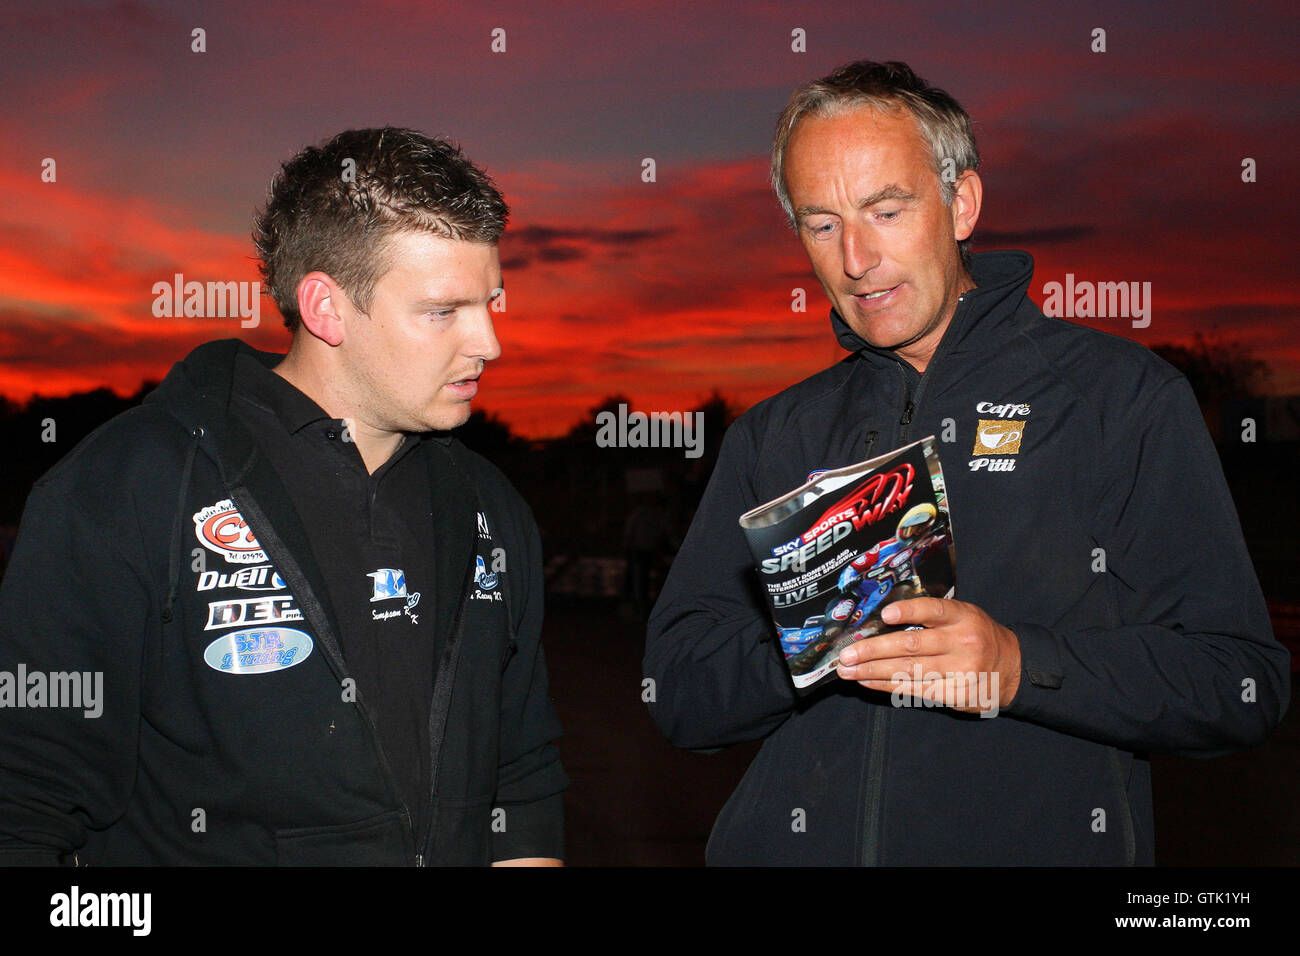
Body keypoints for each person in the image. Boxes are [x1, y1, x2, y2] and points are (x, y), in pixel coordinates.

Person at [643, 61, 1290, 865]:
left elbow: (1239, 684)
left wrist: (1021, 665)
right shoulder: (774, 434)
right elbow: (676, 695)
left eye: (886, 209)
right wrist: (818, 637)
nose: (855, 258)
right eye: (820, 223)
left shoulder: (1118, 400)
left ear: (962, 204)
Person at [0, 128, 567, 866]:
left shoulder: (488, 503)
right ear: (326, 308)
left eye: (490, 302)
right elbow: (25, 800)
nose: (489, 341)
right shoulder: (128, 486)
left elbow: (521, 779)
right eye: (442, 311)